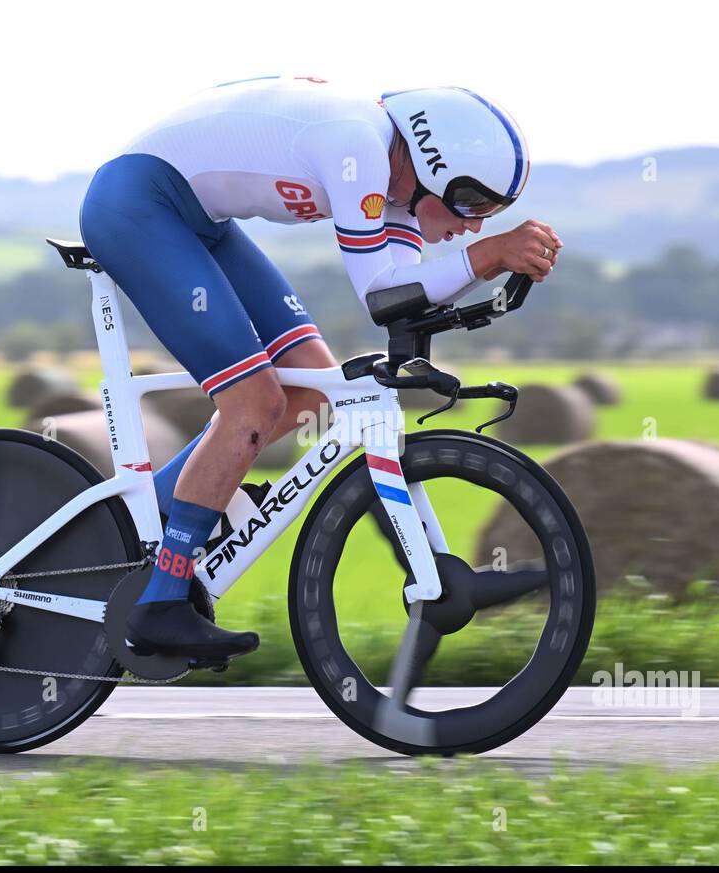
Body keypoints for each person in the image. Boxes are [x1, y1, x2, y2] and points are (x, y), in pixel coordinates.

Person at [79, 76, 562, 664]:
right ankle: (161, 604)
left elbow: (408, 299)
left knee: (311, 393)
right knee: (254, 405)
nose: (475, 225)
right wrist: (487, 258)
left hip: (196, 220)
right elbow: (382, 295)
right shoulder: (358, 146)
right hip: (138, 204)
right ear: (435, 168)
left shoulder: (399, 194)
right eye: (473, 205)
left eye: (490, 214)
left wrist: (486, 281)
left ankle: (156, 515)